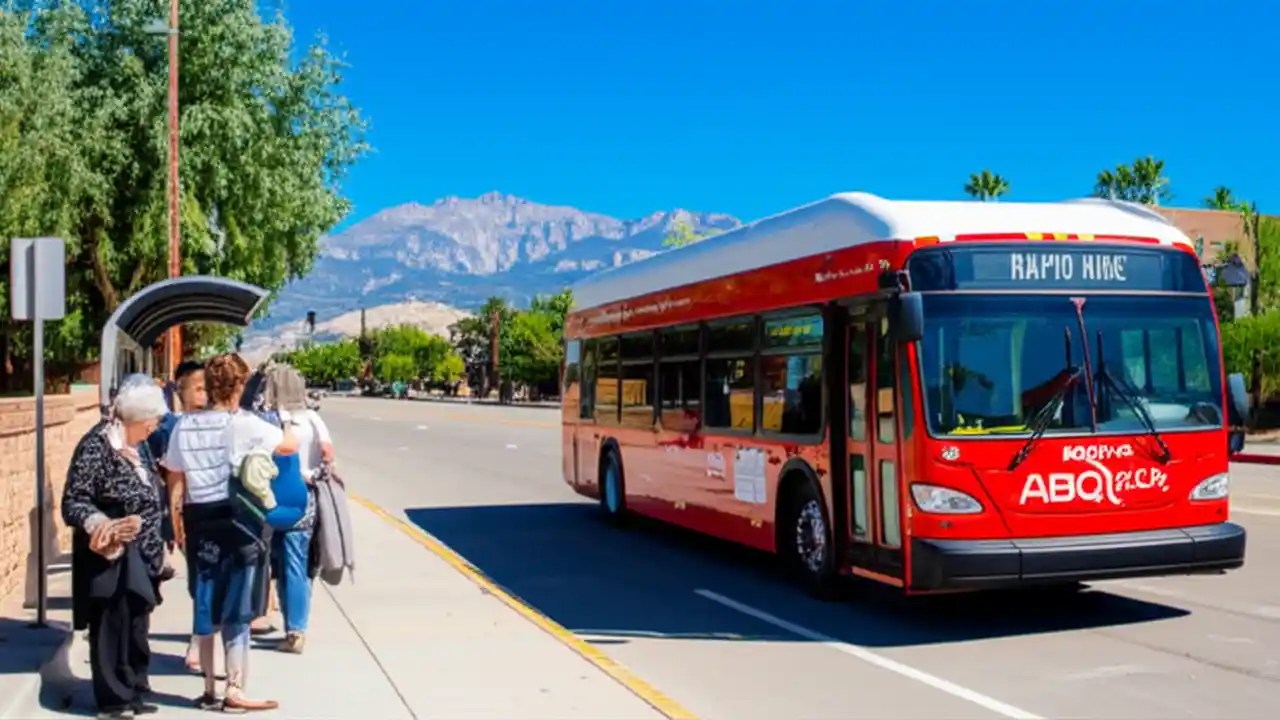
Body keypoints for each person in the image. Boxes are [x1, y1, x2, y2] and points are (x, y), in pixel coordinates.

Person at [162, 353, 293, 712]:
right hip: (236, 520)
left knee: (206, 603)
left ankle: (208, 688)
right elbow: (286, 444)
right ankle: (233, 689)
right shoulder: (243, 424)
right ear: (238, 386)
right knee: (238, 606)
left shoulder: (183, 426)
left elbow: (175, 471)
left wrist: (175, 522)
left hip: (197, 518)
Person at [63, 374, 171, 719]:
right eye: (152, 420)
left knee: (135, 625)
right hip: (111, 557)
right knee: (111, 624)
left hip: (141, 556)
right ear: (136, 416)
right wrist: (102, 524)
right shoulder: (98, 444)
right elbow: (74, 500)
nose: (154, 426)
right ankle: (114, 700)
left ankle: (134, 689)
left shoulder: (136, 445)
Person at [260, 363, 334, 653]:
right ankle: (296, 629)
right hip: (304, 496)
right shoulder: (312, 419)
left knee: (274, 560)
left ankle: (277, 618)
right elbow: (328, 452)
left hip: (272, 496)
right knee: (298, 562)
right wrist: (317, 469)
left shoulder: (267, 419)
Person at [146, 360, 207, 673]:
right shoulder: (174, 427)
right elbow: (171, 480)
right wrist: (174, 523)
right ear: (179, 390)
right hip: (193, 516)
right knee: (200, 581)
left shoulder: (224, 422)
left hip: (220, 514)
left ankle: (206, 640)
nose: (203, 393)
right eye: (197, 387)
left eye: (205, 387)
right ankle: (201, 639)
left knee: (210, 582)